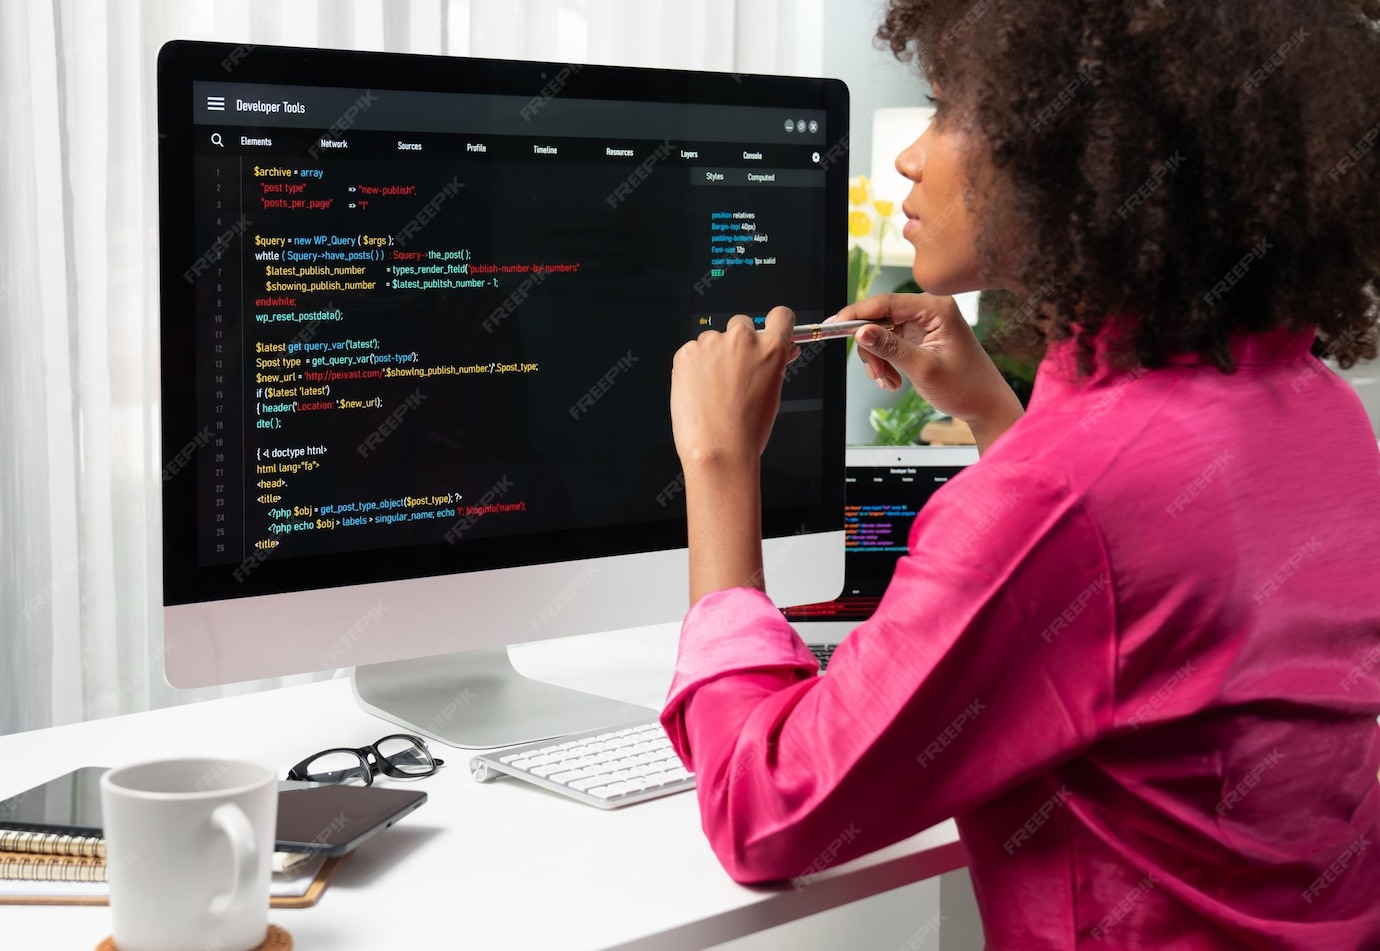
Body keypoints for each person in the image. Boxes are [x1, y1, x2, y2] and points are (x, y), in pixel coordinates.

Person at [662, 0, 1380, 947]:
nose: (911, 158)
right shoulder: (1319, 407)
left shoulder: (1061, 494)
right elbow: (1109, 603)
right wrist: (994, 414)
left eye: (946, 106)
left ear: (1077, 149)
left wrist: (717, 465)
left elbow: (764, 812)